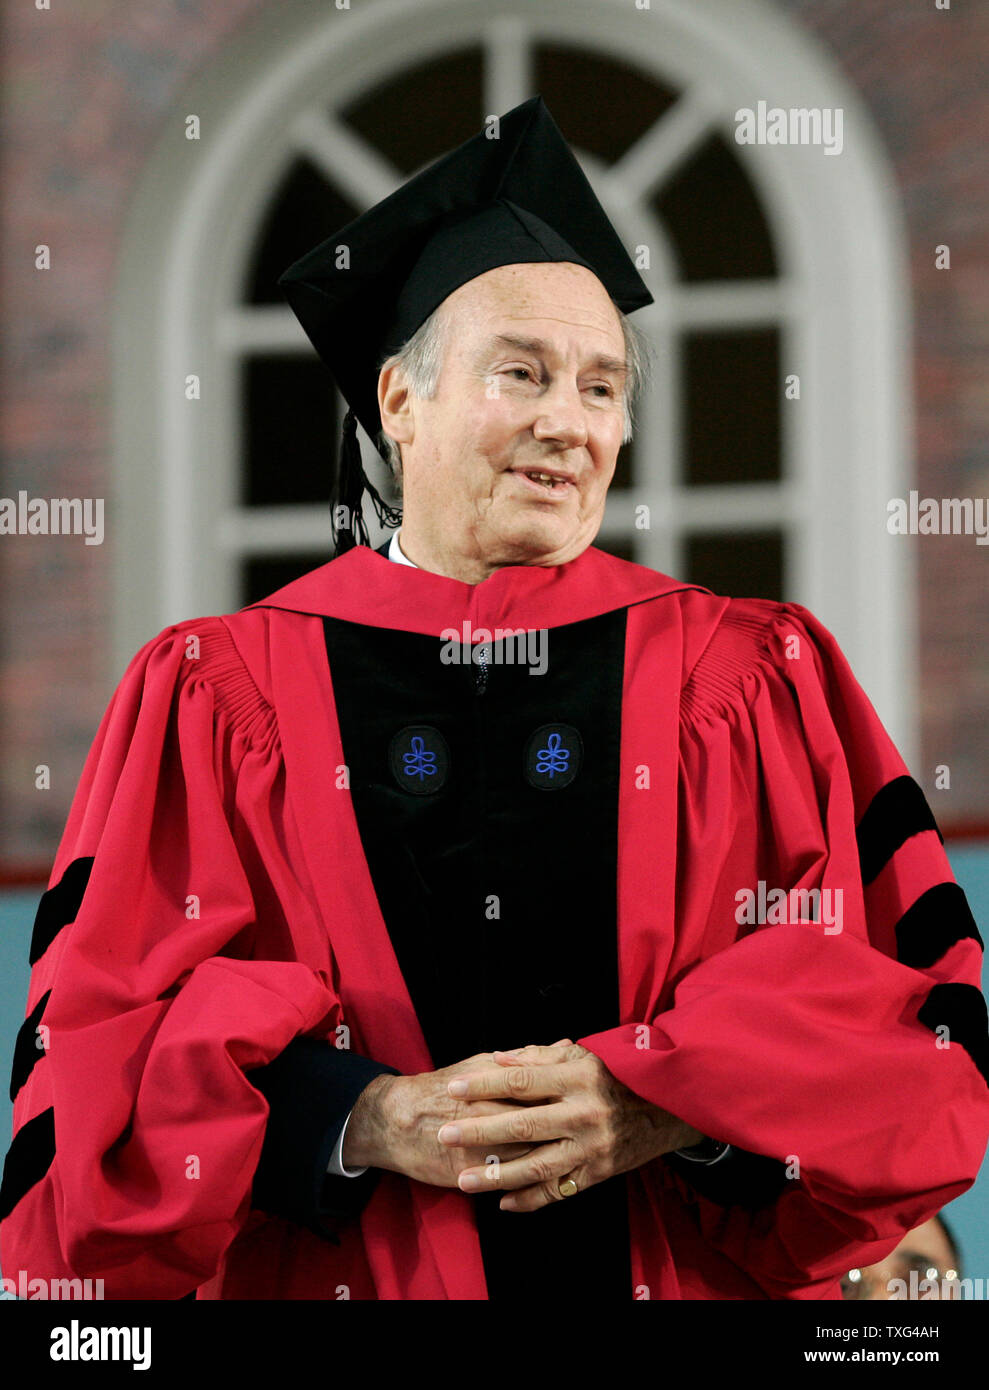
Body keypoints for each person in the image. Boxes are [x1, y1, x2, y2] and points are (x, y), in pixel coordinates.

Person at [2, 96, 987, 1301]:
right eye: (520, 372)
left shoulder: (749, 679)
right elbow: (100, 1069)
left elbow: (895, 1041)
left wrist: (668, 1097)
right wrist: (354, 1119)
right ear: (399, 404)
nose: (567, 425)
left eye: (600, 387)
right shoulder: (214, 697)